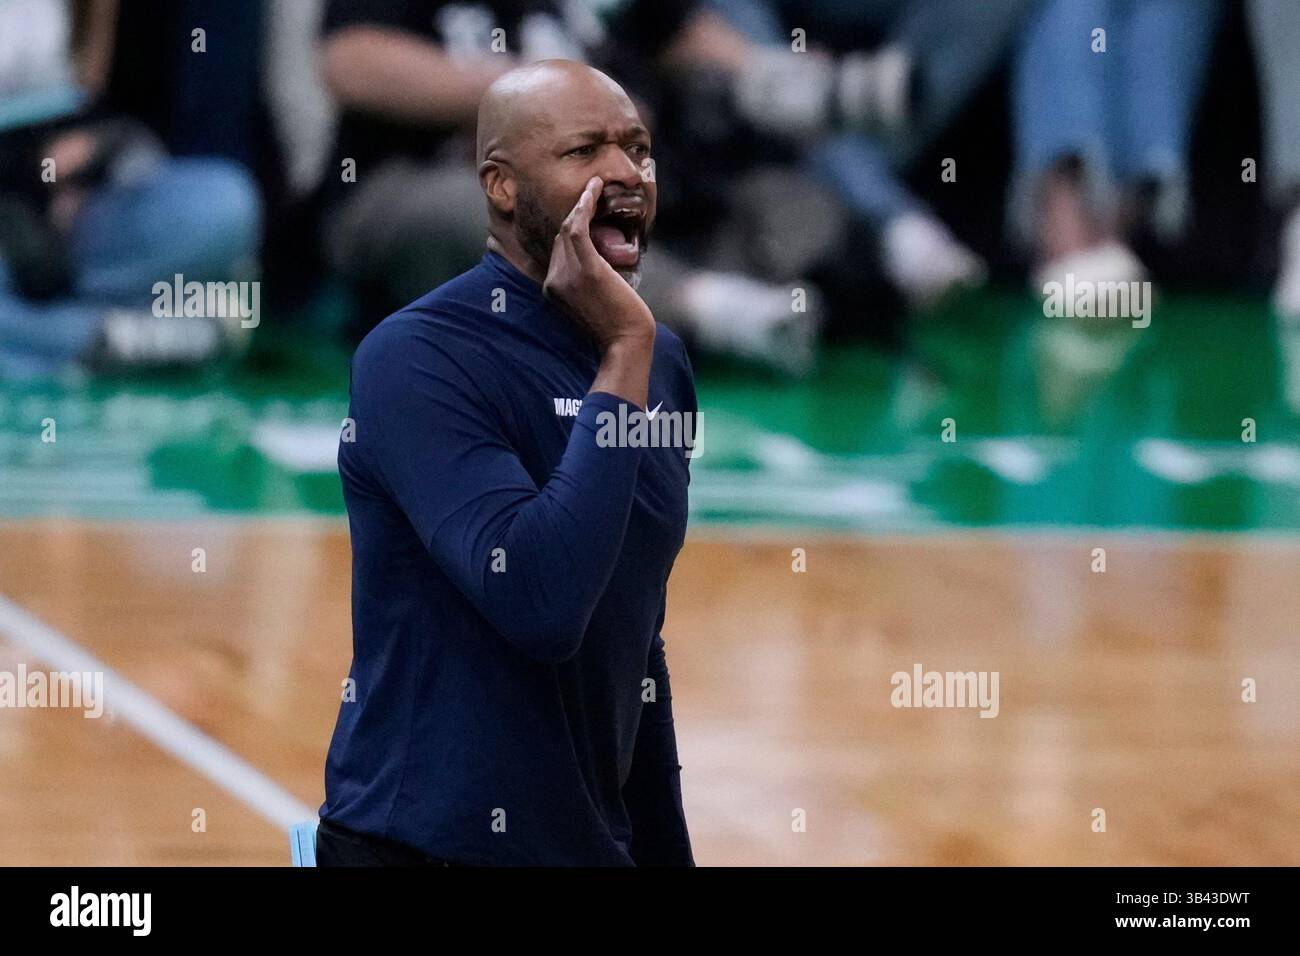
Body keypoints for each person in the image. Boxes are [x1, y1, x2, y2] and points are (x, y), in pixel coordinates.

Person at [317, 60, 695, 866]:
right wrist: (624, 351)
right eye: (585, 152)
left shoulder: (662, 368)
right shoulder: (416, 359)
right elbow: (540, 601)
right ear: (502, 186)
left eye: (638, 149)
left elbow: (635, 636)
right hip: (421, 847)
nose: (625, 174)